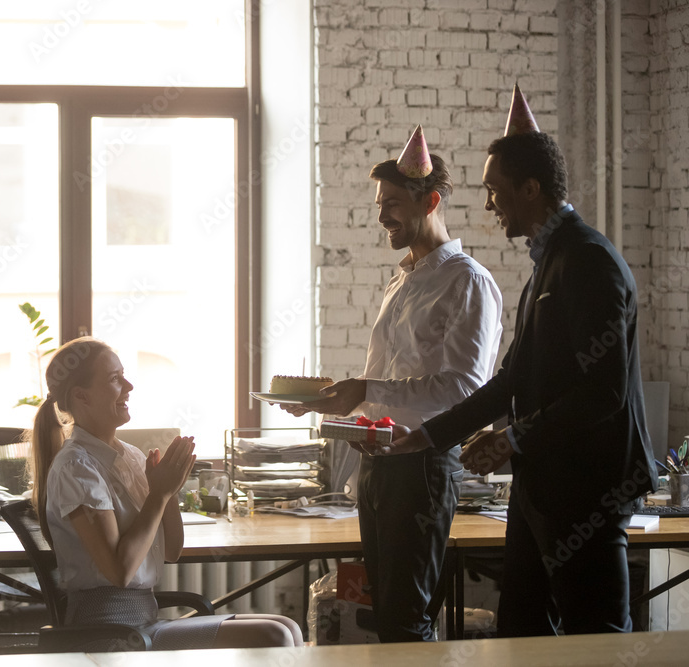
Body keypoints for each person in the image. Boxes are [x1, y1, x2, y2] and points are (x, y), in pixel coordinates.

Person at [371, 87, 656, 636]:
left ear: (531, 189)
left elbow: (604, 394)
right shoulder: (549, 261)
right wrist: (430, 435)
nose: (487, 206)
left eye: (494, 192)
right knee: (521, 637)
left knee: (593, 643)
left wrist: (511, 439)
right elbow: (515, 379)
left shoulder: (590, 260)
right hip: (542, 488)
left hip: (588, 494)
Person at [280, 126, 503, 642]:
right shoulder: (404, 277)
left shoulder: (467, 281)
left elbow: (465, 390)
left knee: (406, 621)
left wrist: (365, 388)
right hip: (379, 463)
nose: (381, 216)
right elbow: (384, 383)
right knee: (388, 618)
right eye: (380, 204)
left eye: (394, 204)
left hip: (422, 467)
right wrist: (335, 400)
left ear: (431, 200)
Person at [31, 337, 303, 649]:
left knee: (287, 626)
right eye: (114, 379)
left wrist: (169, 490)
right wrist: (157, 495)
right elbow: (119, 571)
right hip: (109, 631)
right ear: (82, 396)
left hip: (144, 621)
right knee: (275, 636)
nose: (129, 386)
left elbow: (172, 550)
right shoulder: (76, 467)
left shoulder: (129, 455)